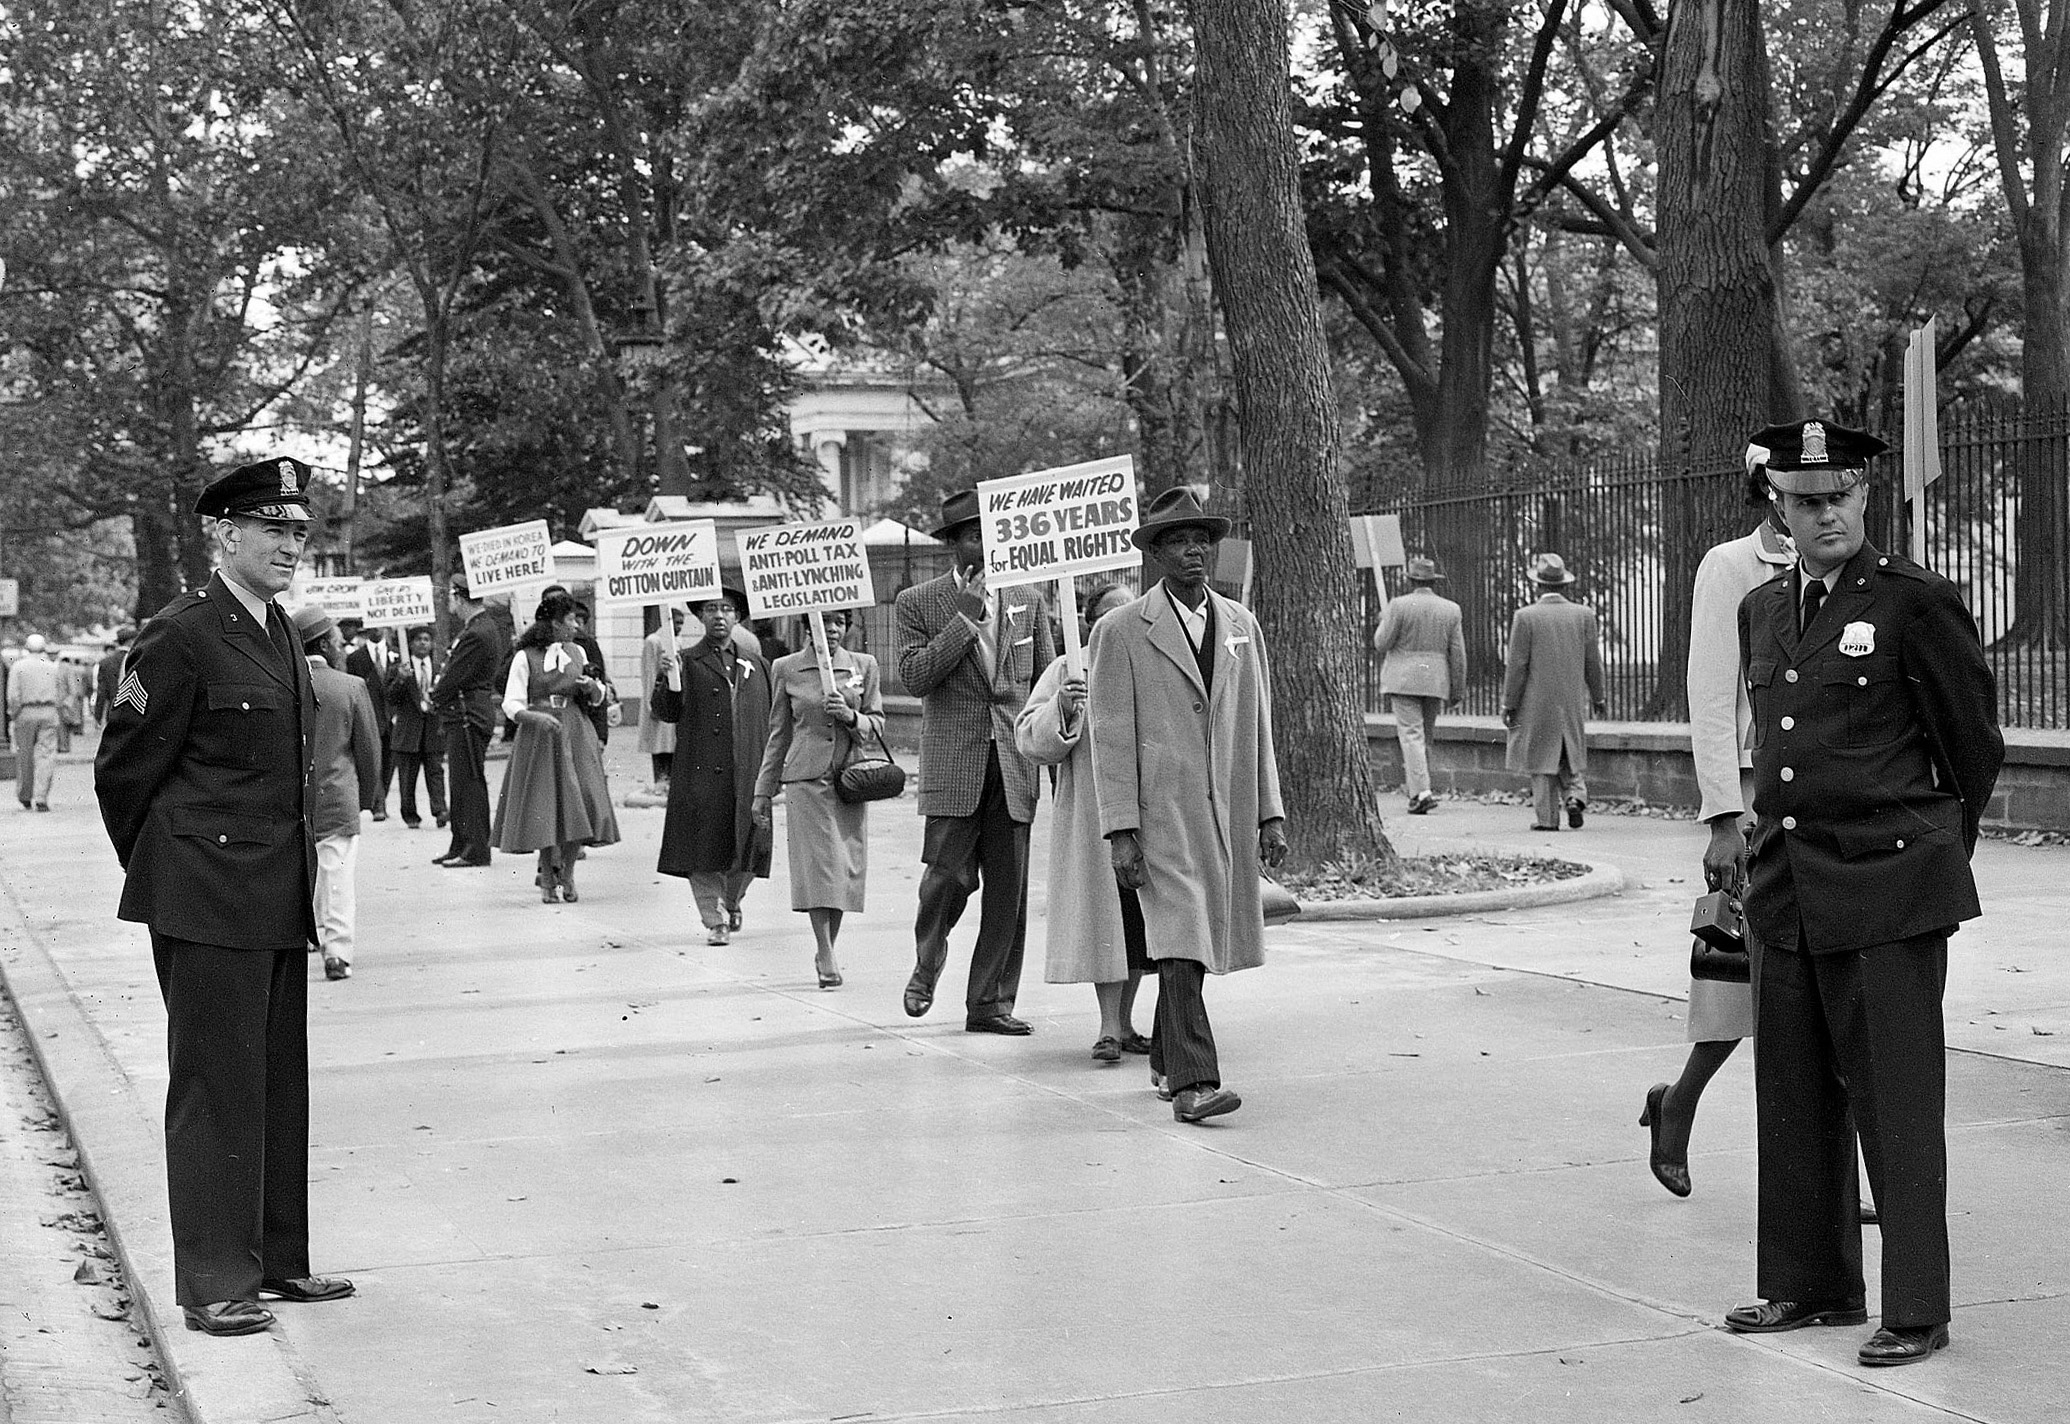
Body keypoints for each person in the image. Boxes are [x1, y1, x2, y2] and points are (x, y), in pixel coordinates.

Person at [1724, 419, 2003, 1368]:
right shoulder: (1762, 607)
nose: (1827, 513)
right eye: (1807, 501)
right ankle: (1810, 1284)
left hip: (1890, 885)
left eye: (1841, 495)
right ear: (1780, 508)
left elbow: (1974, 743)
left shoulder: (1915, 602)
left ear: (1866, 498)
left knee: (1895, 1099)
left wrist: (1930, 851)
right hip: (1790, 886)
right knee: (1793, 1091)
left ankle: (1916, 1304)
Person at [93, 455, 353, 1338]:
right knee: (215, 1087)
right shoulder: (179, 634)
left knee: (279, 1082)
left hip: (278, 893)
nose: (291, 548)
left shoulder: (278, 629)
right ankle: (213, 1280)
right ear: (225, 535)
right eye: (274, 531)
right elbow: (124, 770)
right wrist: (174, 872)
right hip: (206, 896)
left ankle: (278, 1261)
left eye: (299, 534)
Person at [1089, 488, 1286, 1123]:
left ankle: (1166, 1057)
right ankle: (1195, 1084)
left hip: (1224, 809)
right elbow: (1111, 735)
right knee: (1179, 939)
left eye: (1202, 538)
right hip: (1159, 813)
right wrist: (1120, 826)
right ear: (1156, 553)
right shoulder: (1119, 630)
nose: (1194, 549)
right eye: (1178, 540)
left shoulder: (1241, 625)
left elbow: (1257, 722)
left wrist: (1269, 811)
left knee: (1193, 939)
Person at [1641, 456, 1791, 1198]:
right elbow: (1709, 691)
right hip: (1756, 801)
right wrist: (1723, 815)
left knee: (1837, 992)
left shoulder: (1853, 560)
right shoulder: (1731, 566)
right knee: (1736, 977)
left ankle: (1828, 1168)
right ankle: (1679, 1104)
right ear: (1769, 490)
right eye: (1799, 488)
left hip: (1830, 798)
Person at [895, 488, 1055, 1034]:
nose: (983, 546)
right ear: (952, 545)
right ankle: (928, 957)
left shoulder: (1029, 600)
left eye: (992, 534)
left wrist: (1061, 735)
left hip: (1014, 764)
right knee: (946, 878)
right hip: (953, 764)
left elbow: (1046, 684)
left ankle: (990, 1002)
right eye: (970, 535)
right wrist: (963, 623)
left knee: (1008, 892)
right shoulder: (918, 602)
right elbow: (915, 678)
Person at [1017, 582, 1154, 1062]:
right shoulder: (1068, 670)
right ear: (1091, 622)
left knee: (1141, 923)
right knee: (1107, 917)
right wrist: (1064, 707)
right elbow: (1029, 740)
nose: (1120, 620)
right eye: (1109, 613)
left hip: (1150, 810)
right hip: (1096, 815)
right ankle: (1108, 1027)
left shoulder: (1153, 662)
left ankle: (1128, 1022)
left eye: (1129, 610)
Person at [751, 607, 884, 988]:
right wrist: (764, 790)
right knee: (819, 869)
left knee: (843, 870)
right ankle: (825, 952)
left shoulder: (864, 665)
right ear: (807, 626)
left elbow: (877, 722)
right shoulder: (786, 668)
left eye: (839, 622)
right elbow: (778, 733)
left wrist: (851, 717)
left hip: (850, 779)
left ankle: (828, 947)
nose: (832, 629)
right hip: (806, 780)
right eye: (823, 623)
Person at [653, 588, 773, 943]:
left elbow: (773, 720)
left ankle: (732, 899)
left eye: (727, 609)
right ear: (700, 616)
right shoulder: (686, 661)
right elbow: (667, 713)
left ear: (738, 617)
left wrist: (773, 773)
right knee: (703, 849)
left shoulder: (757, 664)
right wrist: (668, 681)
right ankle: (714, 919)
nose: (719, 615)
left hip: (748, 771)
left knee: (750, 847)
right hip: (701, 771)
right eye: (711, 609)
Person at [492, 591, 620, 902]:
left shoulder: (577, 651)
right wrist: (534, 718)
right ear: (552, 623)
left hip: (575, 731)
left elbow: (598, 695)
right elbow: (511, 702)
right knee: (547, 806)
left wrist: (593, 689)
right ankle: (548, 875)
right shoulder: (525, 657)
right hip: (540, 735)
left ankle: (569, 873)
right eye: (570, 620)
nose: (576, 626)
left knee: (582, 802)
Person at [294, 606, 381, 981]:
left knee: (303, 869)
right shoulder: (351, 687)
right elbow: (369, 752)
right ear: (327, 643)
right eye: (338, 641)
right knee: (338, 874)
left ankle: (309, 934)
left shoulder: (287, 686)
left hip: (294, 800)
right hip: (337, 797)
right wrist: (366, 800)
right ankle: (338, 951)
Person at [1501, 553, 1605, 831]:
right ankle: (1575, 796)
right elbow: (1592, 661)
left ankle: (1547, 819)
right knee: (1569, 750)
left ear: (1538, 586)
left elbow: (1517, 665)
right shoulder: (1584, 615)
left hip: (1536, 702)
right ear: (1565, 585)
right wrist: (1599, 696)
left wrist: (1509, 703)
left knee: (1541, 758)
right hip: (1571, 700)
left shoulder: (1525, 617)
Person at [1372, 555, 1467, 814]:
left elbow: (1381, 643)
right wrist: (1458, 689)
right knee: (1424, 735)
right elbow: (1458, 653)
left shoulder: (1399, 605)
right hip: (1435, 680)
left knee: (1411, 735)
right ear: (1433, 581)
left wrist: (1384, 620)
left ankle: (1422, 792)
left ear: (1411, 580)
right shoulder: (1451, 609)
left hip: (1403, 679)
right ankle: (1419, 791)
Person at [430, 576, 511, 869]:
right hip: (465, 712)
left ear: (459, 598)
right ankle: (460, 843)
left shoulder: (477, 632)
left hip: (468, 712)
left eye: (452, 597)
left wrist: (435, 695)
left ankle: (475, 847)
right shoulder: (477, 629)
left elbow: (455, 675)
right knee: (461, 781)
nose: (450, 603)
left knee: (469, 781)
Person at [385, 626, 448, 830]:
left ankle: (440, 810)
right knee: (407, 776)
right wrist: (401, 679)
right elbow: (390, 698)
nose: (423, 643)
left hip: (432, 729)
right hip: (408, 731)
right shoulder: (399, 668)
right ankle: (410, 814)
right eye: (419, 639)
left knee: (435, 772)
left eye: (427, 639)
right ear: (410, 644)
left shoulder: (440, 668)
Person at [339, 619, 394, 820]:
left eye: (381, 624)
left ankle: (381, 798)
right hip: (370, 713)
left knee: (389, 762)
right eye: (373, 624)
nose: (377, 628)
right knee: (375, 757)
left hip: (392, 717)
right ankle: (378, 804)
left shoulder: (397, 653)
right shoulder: (356, 658)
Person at [7, 633, 64, 811]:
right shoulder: (53, 667)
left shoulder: (18, 667)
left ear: (27, 647)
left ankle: (25, 795)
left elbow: (13, 695)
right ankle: (41, 796)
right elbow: (60, 692)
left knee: (24, 755)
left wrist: (14, 714)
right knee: (46, 755)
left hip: (25, 711)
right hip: (48, 711)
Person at [638, 609, 684, 788]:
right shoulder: (653, 641)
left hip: (673, 699)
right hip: (658, 698)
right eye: (676, 623)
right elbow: (648, 673)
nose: (679, 627)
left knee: (672, 743)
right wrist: (653, 705)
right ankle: (660, 779)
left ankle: (671, 781)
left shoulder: (678, 641)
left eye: (681, 623)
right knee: (658, 743)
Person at [92, 627, 136, 726]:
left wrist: (97, 716)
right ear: (130, 642)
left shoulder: (105, 663)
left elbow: (101, 692)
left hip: (113, 712)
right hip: (135, 712)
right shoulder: (136, 659)